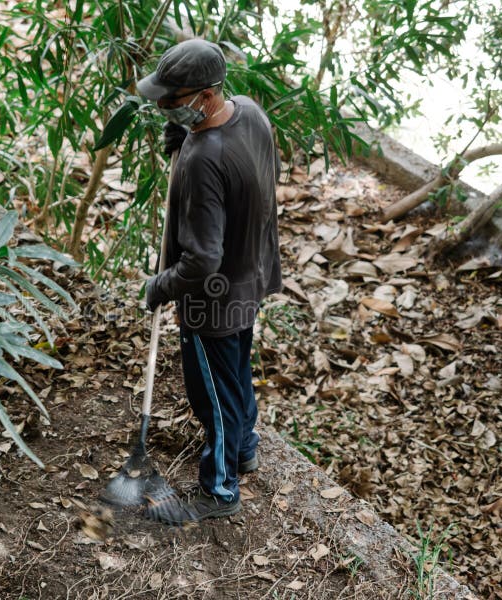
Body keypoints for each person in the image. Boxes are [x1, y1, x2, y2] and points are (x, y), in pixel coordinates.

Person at [137, 38, 282, 524]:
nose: (162, 107)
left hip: (211, 303)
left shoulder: (203, 159)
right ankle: (244, 449)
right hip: (252, 275)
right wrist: (188, 143)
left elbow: (201, 260)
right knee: (236, 370)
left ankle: (219, 488)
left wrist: (160, 287)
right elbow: (259, 176)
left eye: (172, 100)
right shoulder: (252, 113)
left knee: (213, 396)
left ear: (205, 95)